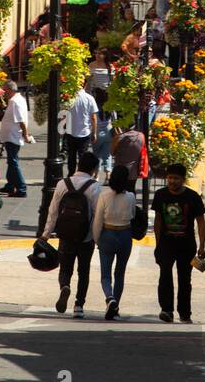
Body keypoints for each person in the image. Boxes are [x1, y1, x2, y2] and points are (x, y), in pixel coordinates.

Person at [42, 150, 101, 317]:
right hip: (86, 237)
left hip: (65, 234)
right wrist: (96, 237)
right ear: (94, 170)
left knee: (65, 268)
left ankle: (65, 286)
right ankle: (79, 305)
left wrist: (46, 234)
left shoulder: (63, 184)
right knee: (84, 271)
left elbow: (53, 211)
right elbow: (97, 216)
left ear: (77, 165)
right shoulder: (95, 187)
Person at [151, 163, 205, 324]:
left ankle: (184, 313)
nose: (172, 181)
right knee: (165, 275)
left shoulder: (193, 197)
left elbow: (201, 222)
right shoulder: (160, 195)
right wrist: (158, 243)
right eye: (169, 178)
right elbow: (158, 221)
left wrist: (202, 246)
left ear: (183, 179)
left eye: (176, 178)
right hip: (166, 243)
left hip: (186, 244)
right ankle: (166, 310)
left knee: (184, 279)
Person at [92, 164, 136, 320]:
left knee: (105, 274)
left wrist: (97, 239)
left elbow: (97, 220)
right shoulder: (131, 196)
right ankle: (116, 304)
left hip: (107, 234)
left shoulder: (104, 196)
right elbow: (132, 215)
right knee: (120, 273)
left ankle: (109, 297)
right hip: (125, 234)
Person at [0, 81, 31, 197]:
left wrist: (26, 134)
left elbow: (21, 120)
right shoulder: (15, 100)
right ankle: (10, 185)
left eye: (4, 90)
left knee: (13, 162)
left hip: (13, 137)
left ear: (10, 90)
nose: (3, 93)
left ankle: (21, 188)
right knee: (11, 161)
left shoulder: (15, 101)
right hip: (11, 136)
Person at [63, 77, 98, 176]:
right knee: (82, 156)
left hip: (71, 131)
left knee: (71, 156)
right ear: (85, 84)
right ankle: (82, 175)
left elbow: (64, 114)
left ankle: (71, 174)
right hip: (84, 132)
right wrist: (94, 132)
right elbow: (93, 117)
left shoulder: (69, 97)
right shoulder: (89, 98)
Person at [110, 124, 144, 192]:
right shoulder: (141, 136)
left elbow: (112, 152)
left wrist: (116, 137)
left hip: (120, 171)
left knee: (119, 192)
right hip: (134, 171)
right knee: (131, 190)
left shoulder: (120, 137)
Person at [92, 88, 114, 181]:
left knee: (97, 154)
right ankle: (108, 175)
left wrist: (93, 132)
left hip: (97, 132)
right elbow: (114, 119)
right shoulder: (111, 107)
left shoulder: (95, 107)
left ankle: (96, 175)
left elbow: (92, 119)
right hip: (108, 131)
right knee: (108, 154)